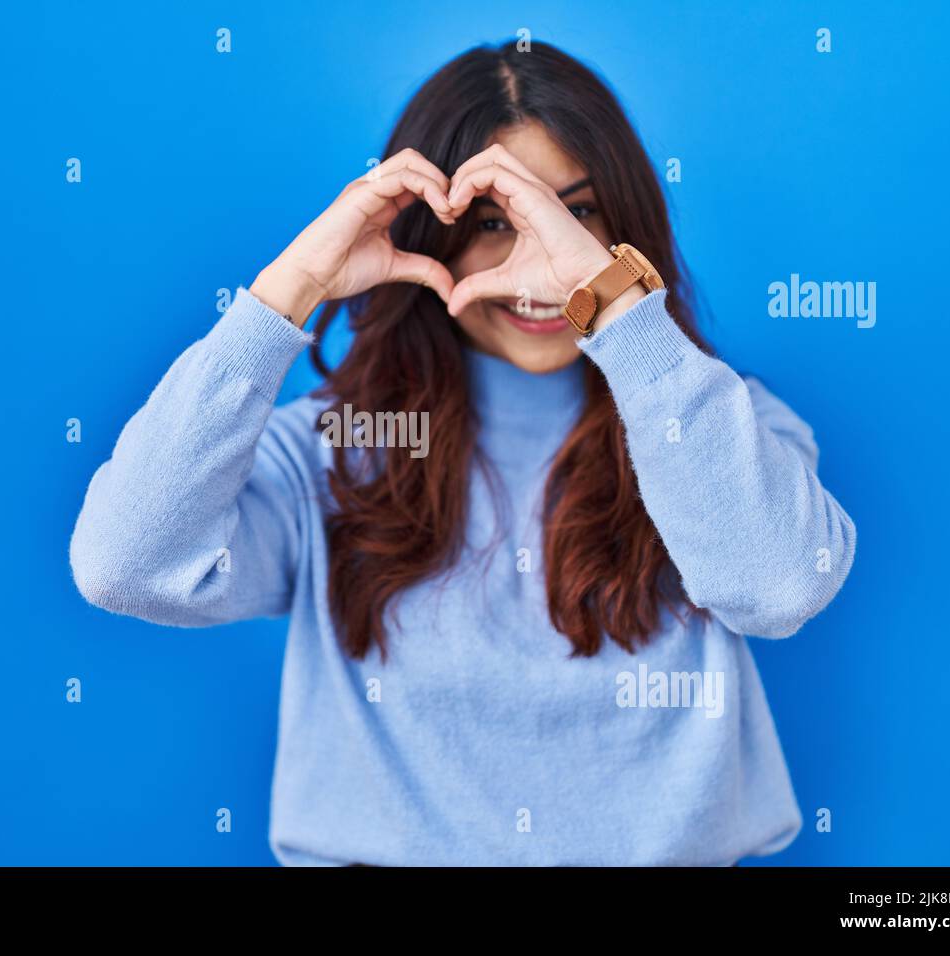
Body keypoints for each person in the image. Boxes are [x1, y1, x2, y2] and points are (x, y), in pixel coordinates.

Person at [68, 40, 856, 866]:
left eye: (574, 215)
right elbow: (125, 564)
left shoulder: (713, 422)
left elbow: (780, 588)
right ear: (423, 235)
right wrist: (285, 290)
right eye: (490, 223)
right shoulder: (342, 444)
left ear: (627, 226)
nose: (537, 263)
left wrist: (622, 319)